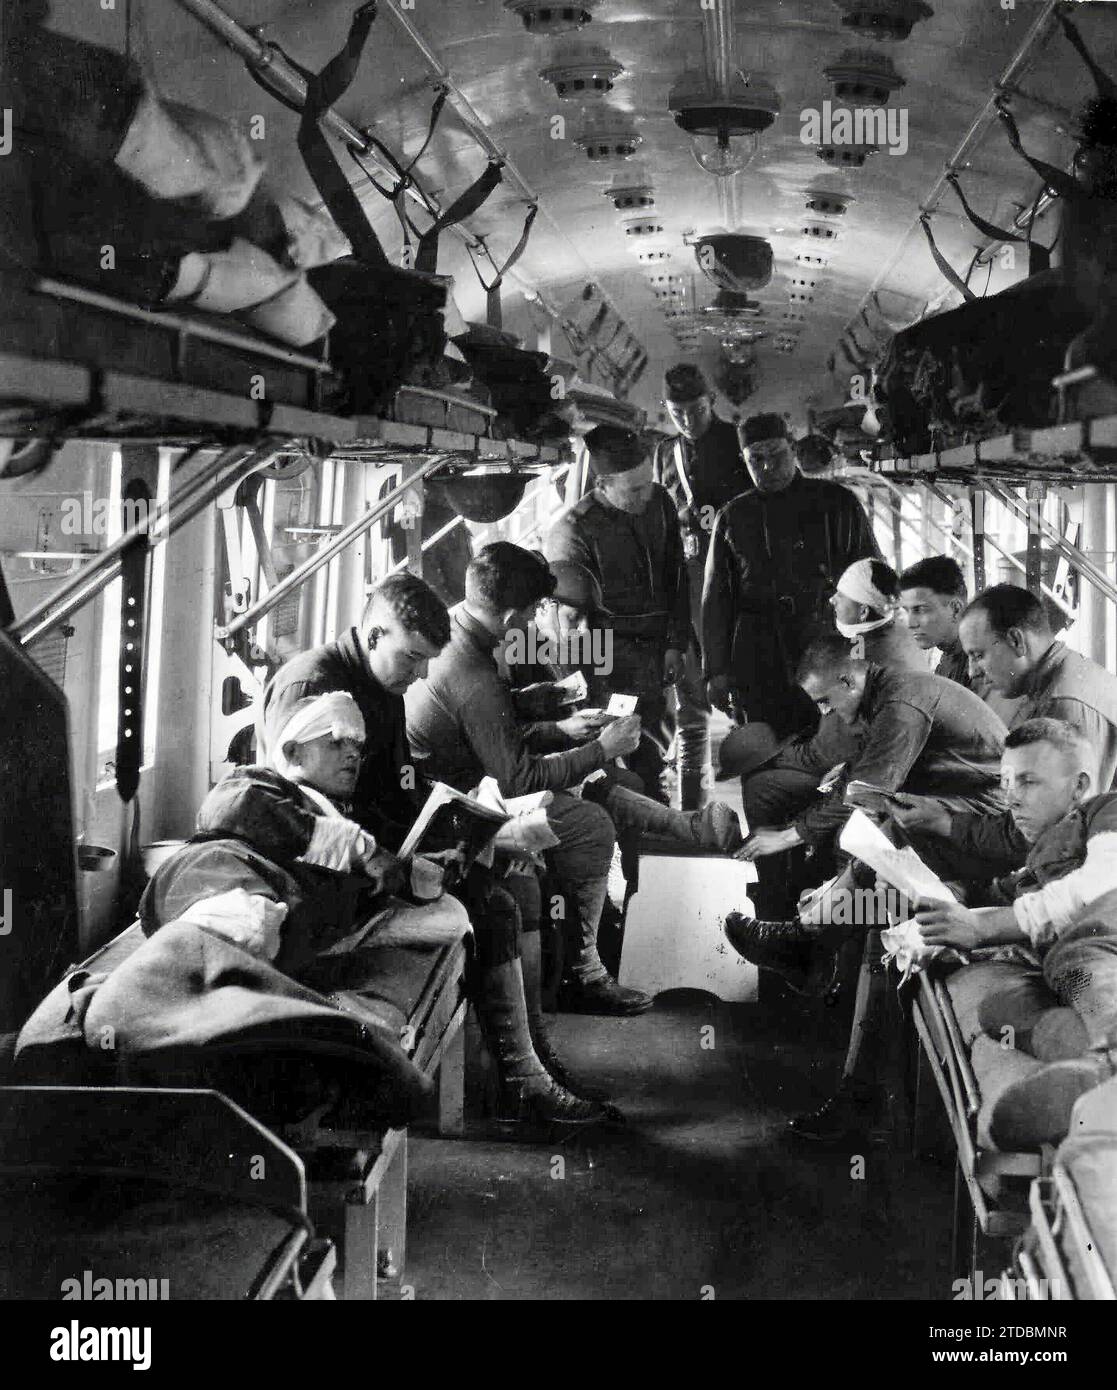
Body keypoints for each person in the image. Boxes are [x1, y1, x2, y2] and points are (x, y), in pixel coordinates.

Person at [261, 572, 610, 1128]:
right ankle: (526, 1085)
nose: (421, 674)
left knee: (515, 879)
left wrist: (472, 831)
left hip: (381, 856)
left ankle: (535, 1060)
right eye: (412, 658)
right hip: (324, 881)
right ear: (375, 636)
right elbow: (295, 812)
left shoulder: (383, 687)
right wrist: (401, 862)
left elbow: (399, 787)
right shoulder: (313, 685)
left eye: (427, 661)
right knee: (495, 906)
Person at [725, 634, 1009, 1139]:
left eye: (827, 702)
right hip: (959, 813)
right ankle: (808, 942)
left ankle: (807, 942)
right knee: (878, 875)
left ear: (849, 678)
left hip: (989, 827)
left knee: (881, 846)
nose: (827, 713)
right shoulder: (883, 696)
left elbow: (871, 797)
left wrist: (791, 837)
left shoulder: (899, 703)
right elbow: (860, 780)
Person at [405, 542, 654, 1016]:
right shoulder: (475, 672)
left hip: (456, 783)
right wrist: (603, 749)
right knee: (591, 825)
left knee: (584, 802)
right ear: (515, 613)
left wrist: (542, 716)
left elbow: (483, 728)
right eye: (536, 610)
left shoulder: (459, 629)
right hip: (451, 809)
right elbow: (517, 777)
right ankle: (585, 973)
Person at [913, 719, 1117, 1150]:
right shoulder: (1034, 864)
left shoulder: (1105, 810)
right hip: (1083, 974)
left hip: (1101, 941)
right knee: (1006, 1006)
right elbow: (995, 900)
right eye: (1006, 782)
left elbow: (1103, 881)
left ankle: (1110, 1056)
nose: (1012, 798)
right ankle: (1098, 1074)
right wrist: (951, 906)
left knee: (1079, 949)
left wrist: (987, 926)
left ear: (1079, 786)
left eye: (1028, 781)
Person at [507, 558, 744, 859]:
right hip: (544, 765)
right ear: (543, 608)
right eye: (574, 618)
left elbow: (599, 695)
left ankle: (666, 851)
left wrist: (608, 719)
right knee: (613, 785)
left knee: (637, 766)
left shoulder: (583, 640)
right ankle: (686, 832)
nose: (583, 629)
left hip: (577, 751)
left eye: (588, 620)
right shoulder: (516, 652)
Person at [892, 582, 1117, 884]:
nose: (972, 672)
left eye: (978, 655)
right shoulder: (1063, 676)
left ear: (1016, 640)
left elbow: (1057, 841)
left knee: (914, 858)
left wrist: (947, 824)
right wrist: (945, 820)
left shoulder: (1065, 703)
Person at [701, 411, 882, 736]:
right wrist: (715, 671)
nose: (768, 467)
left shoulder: (838, 504)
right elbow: (717, 601)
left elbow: (872, 581)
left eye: (777, 455)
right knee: (763, 752)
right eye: (756, 459)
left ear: (793, 450)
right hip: (757, 652)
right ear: (744, 461)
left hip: (826, 643)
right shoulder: (733, 517)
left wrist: (872, 653)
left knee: (831, 747)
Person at [543, 424, 691, 806]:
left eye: (648, 484)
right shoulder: (573, 532)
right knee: (616, 765)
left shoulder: (659, 503)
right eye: (634, 489)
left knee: (654, 754)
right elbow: (568, 627)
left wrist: (676, 643)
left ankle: (655, 829)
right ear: (603, 484)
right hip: (606, 660)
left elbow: (677, 576)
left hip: (655, 652)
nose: (647, 496)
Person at [654, 363, 754, 806]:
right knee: (690, 698)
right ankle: (694, 804)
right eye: (678, 412)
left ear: (710, 402)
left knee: (743, 685)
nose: (688, 420)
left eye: (695, 409)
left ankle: (751, 803)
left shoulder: (736, 441)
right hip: (688, 578)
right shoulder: (663, 453)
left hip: (736, 577)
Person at [898, 555, 974, 689]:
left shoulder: (979, 665)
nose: (910, 624)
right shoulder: (948, 654)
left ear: (955, 609)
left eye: (920, 609)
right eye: (906, 610)